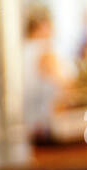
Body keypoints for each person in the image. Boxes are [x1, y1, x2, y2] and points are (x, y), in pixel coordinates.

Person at [22, 6, 72, 141]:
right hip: (41, 130)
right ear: (41, 26)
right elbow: (66, 83)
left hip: (25, 128)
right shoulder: (44, 50)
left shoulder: (22, 51)